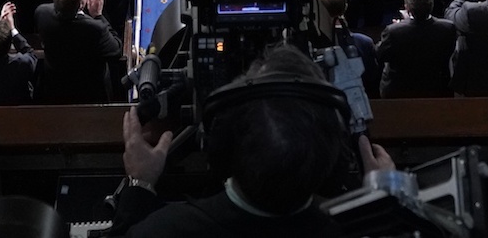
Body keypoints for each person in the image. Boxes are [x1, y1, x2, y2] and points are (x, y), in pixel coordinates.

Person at [111, 44, 394, 236]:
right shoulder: (355, 230)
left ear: (221, 145)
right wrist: (387, 200)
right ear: (331, 157)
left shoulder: (165, 230)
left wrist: (140, 183)